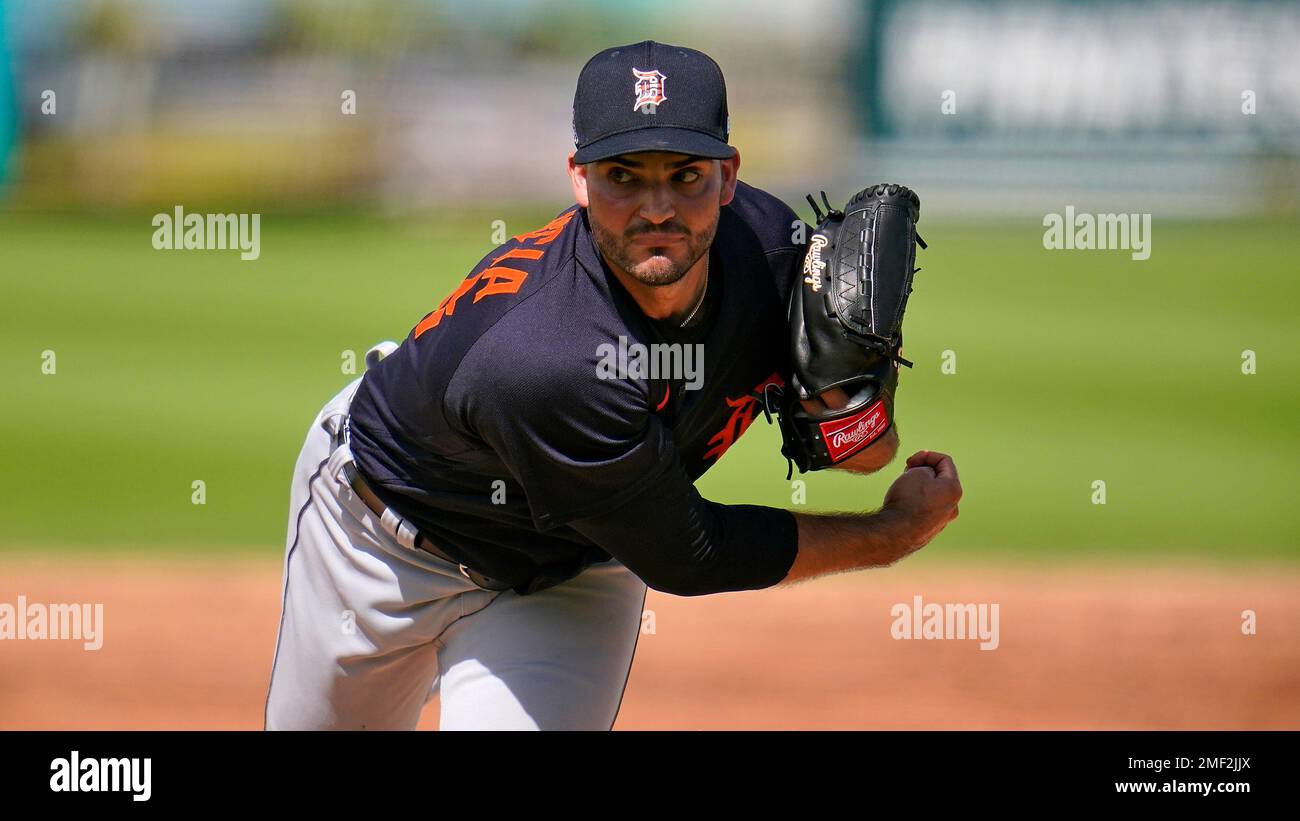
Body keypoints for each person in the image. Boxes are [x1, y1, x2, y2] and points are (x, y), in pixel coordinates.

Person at [264, 40, 961, 731]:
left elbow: (860, 451)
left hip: (574, 569)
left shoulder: (774, 256)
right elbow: (689, 554)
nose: (657, 208)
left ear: (728, 177)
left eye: (685, 175)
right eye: (624, 176)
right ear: (578, 178)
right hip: (380, 545)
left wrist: (853, 394)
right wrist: (890, 531)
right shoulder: (546, 355)